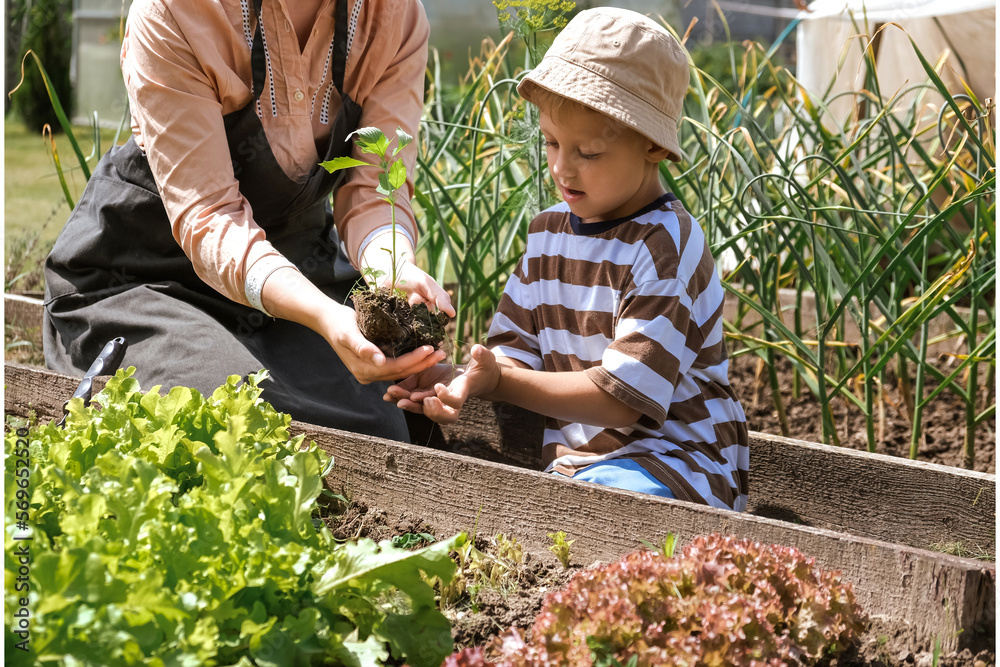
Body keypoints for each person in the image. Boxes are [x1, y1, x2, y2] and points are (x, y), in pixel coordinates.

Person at [386, 7, 749, 510]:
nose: (562, 166)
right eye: (552, 142)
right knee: (567, 507)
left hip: (680, 466)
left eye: (589, 152)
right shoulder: (547, 236)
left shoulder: (666, 245)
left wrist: (500, 379)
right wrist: (458, 379)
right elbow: (516, 353)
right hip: (581, 469)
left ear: (653, 146)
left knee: (591, 508)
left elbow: (619, 396)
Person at [42, 0, 453, 442]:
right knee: (238, 416)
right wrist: (323, 316)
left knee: (383, 426)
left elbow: (374, 189)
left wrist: (393, 268)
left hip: (295, 283)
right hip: (147, 280)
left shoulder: (392, 17)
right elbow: (209, 215)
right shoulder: (180, 11)